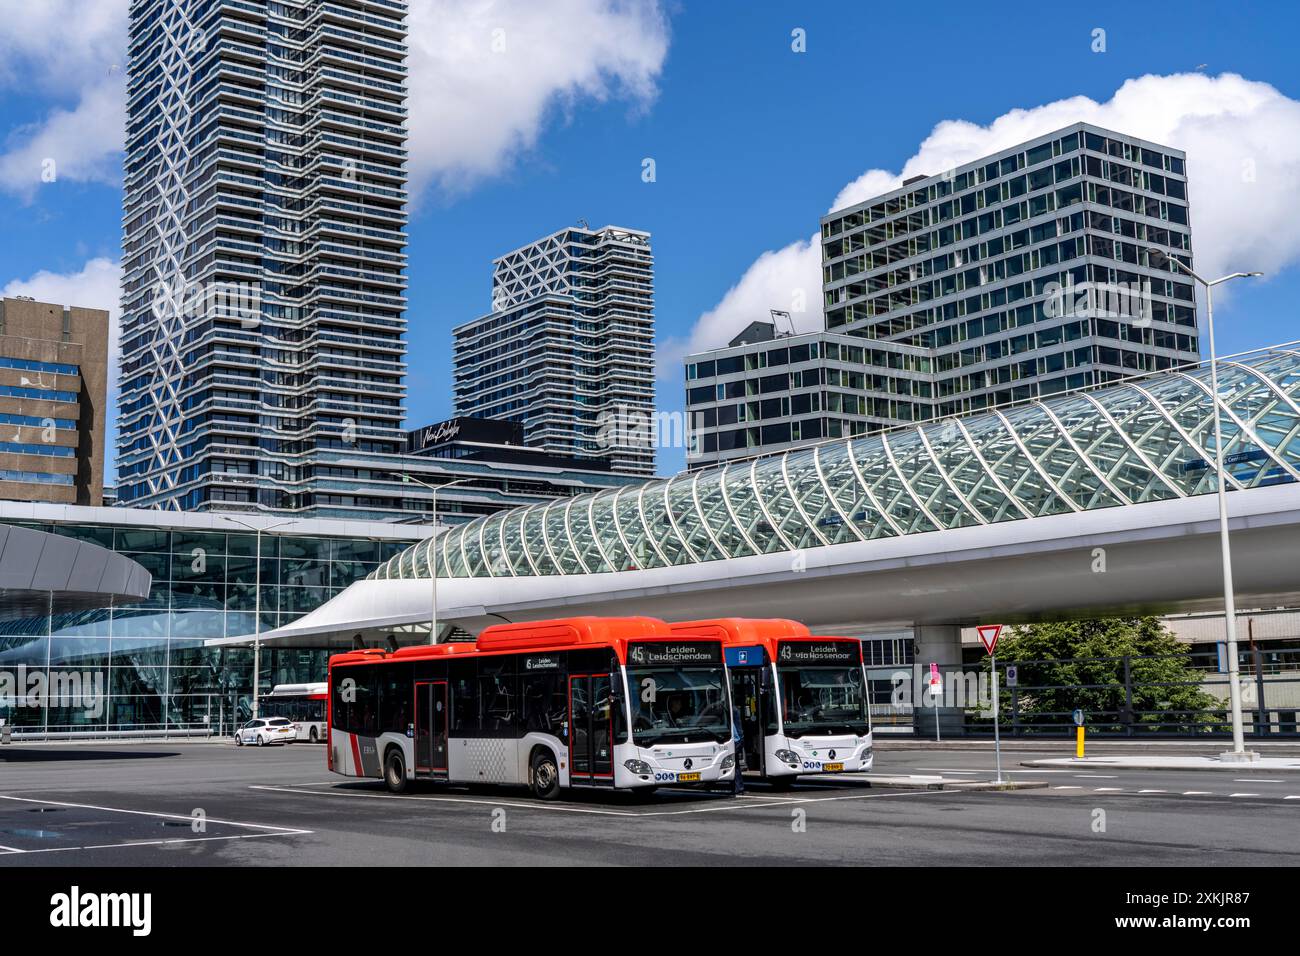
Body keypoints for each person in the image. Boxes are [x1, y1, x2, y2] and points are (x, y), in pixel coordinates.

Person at [730, 702, 746, 795]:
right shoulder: (734, 708)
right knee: (735, 765)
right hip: (738, 739)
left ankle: (738, 787)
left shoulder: (732, 709)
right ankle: (738, 787)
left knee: (734, 765)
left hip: (736, 740)